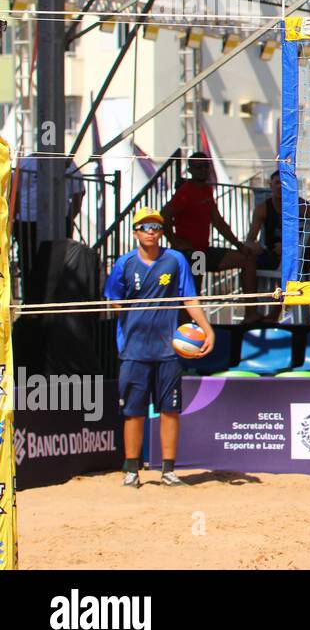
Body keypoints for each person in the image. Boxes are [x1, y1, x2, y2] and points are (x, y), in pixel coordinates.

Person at [105, 206, 215, 488]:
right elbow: (113, 298)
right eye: (145, 227)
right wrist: (134, 312)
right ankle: (132, 469)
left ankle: (168, 469)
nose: (150, 232)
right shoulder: (125, 263)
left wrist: (207, 328)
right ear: (135, 232)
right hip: (134, 348)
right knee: (134, 411)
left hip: (168, 348)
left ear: (162, 232)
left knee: (170, 409)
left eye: (155, 227)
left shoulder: (175, 259)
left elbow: (189, 298)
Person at [161, 152, 260, 321]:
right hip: (193, 253)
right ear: (191, 169)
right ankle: (185, 328)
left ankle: (250, 314)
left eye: (206, 166)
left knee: (247, 259)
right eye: (199, 167)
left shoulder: (206, 190)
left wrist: (239, 245)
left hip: (204, 250)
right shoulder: (185, 191)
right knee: (194, 290)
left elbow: (218, 221)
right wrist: (174, 241)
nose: (203, 170)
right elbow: (164, 215)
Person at [246, 169, 310, 321]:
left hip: (298, 257)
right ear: (270, 185)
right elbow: (250, 239)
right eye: (277, 183)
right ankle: (251, 313)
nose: (280, 187)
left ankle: (273, 316)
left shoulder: (303, 207)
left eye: (284, 184)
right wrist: (254, 246)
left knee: (289, 265)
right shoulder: (263, 208)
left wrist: (289, 248)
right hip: (271, 255)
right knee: (247, 260)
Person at [12, 154, 85, 293]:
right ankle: (33, 304)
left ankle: (38, 303)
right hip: (31, 222)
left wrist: (68, 219)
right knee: (32, 265)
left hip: (37, 222)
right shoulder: (26, 163)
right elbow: (79, 193)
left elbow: (78, 193)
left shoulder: (25, 163)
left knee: (46, 265)